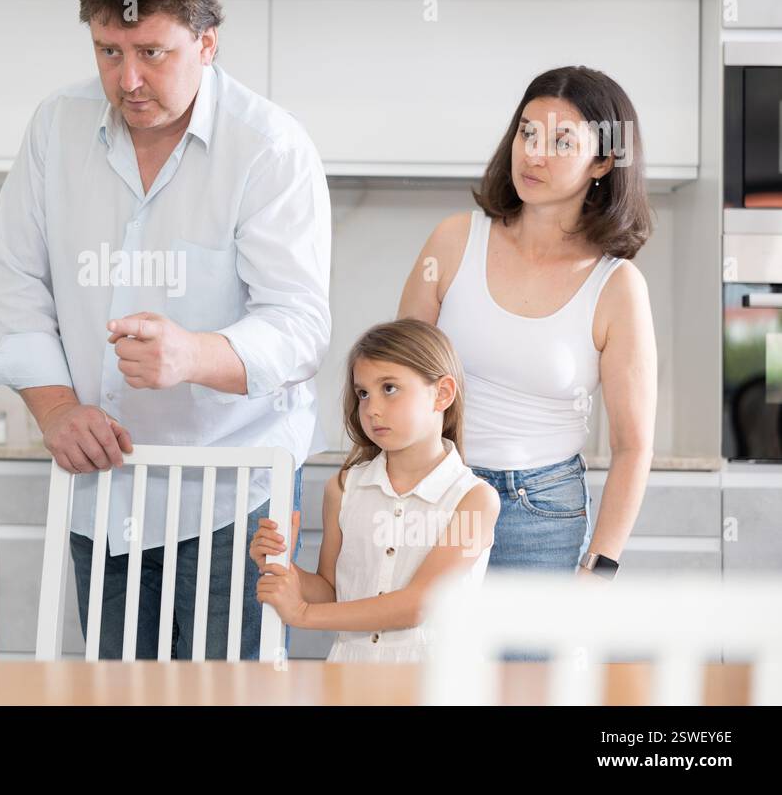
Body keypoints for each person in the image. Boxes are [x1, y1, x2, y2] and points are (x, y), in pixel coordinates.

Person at [0, 0, 331, 659]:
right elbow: (16, 281)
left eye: (152, 53)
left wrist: (195, 354)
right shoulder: (56, 128)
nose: (128, 79)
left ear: (207, 43)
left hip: (234, 501)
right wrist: (55, 409)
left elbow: (299, 325)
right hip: (102, 494)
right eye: (109, 52)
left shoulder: (269, 148)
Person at [398, 65, 656, 583]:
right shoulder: (453, 241)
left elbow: (633, 446)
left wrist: (600, 567)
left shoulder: (617, 287)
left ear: (603, 160)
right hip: (436, 491)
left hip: (540, 512)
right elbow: (396, 376)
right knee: (423, 662)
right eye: (527, 132)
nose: (534, 153)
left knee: (525, 668)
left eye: (562, 141)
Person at [251, 319, 498, 661]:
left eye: (390, 388)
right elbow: (331, 590)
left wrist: (303, 614)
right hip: (350, 678)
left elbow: (420, 604)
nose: (372, 408)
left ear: (442, 393)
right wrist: (284, 568)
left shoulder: (474, 500)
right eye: (363, 393)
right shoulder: (342, 488)